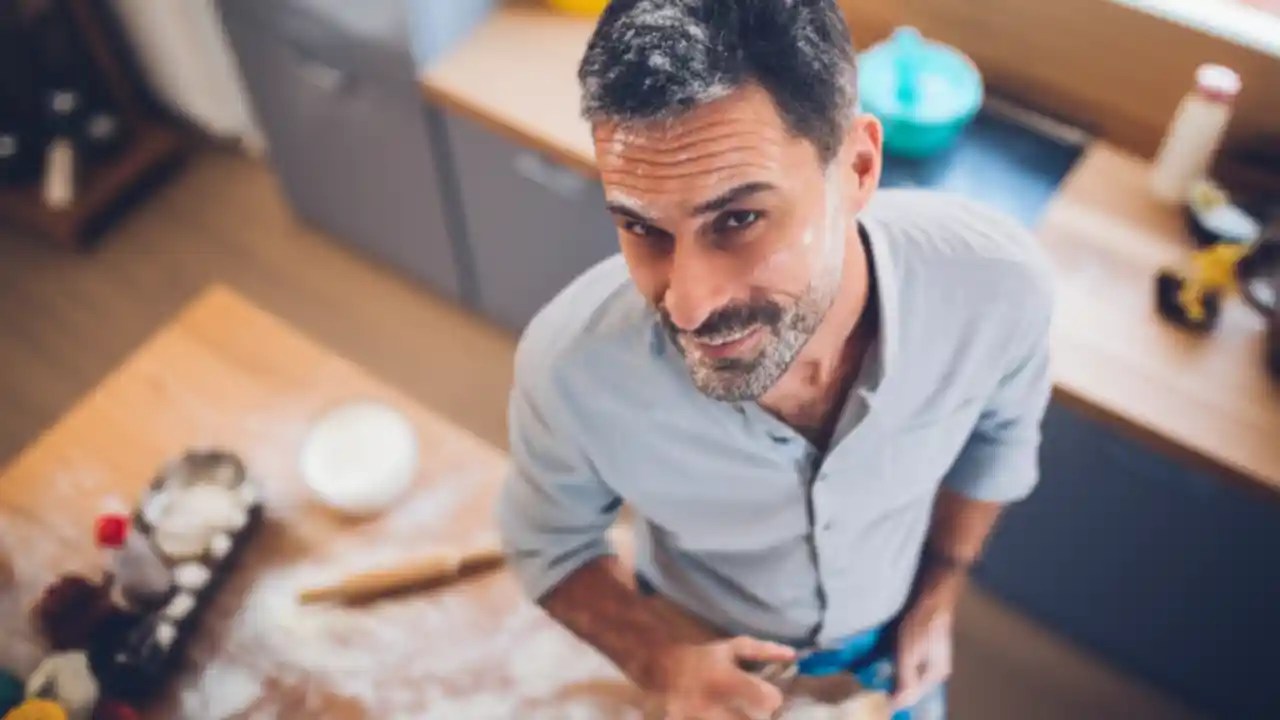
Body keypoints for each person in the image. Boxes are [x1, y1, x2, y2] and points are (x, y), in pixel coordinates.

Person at [497, 1, 1054, 718]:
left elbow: (998, 441)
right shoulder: (571, 368)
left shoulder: (997, 289)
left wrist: (939, 594)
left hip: (892, 653)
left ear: (857, 167)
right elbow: (548, 543)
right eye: (642, 227)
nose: (688, 307)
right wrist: (662, 662)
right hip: (694, 645)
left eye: (739, 219)